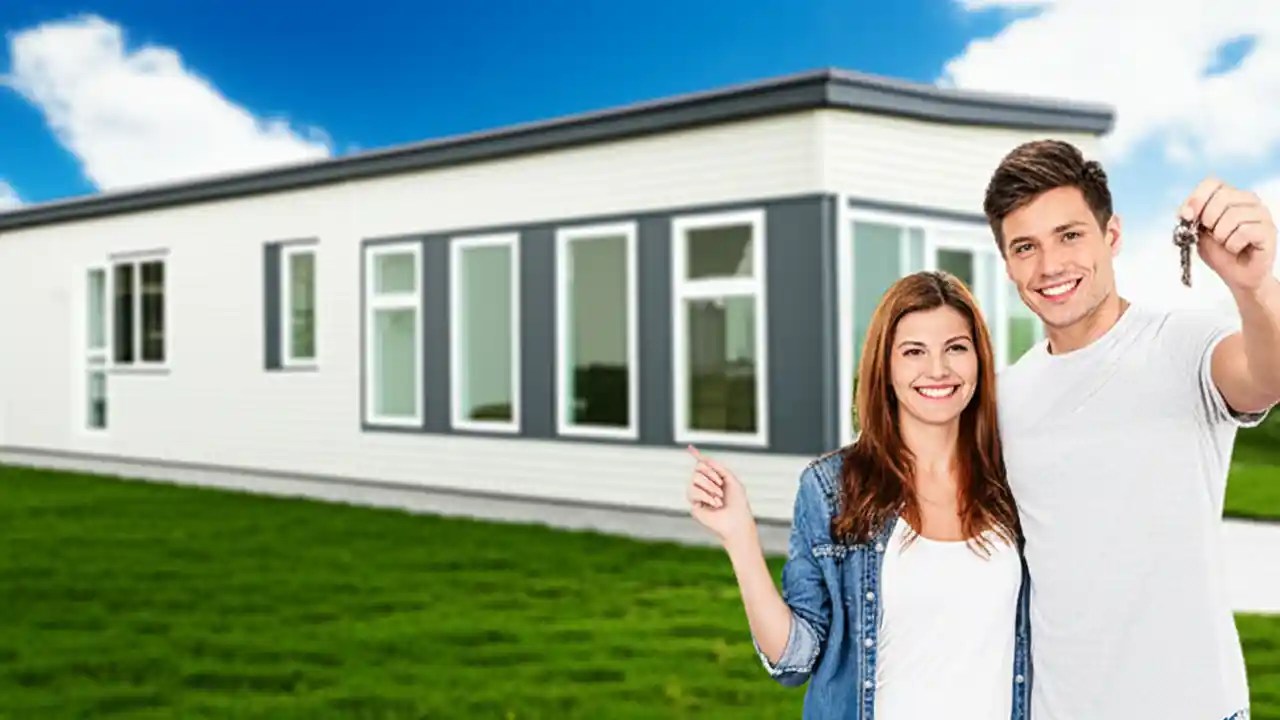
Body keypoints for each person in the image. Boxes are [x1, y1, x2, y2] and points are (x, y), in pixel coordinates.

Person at [986, 139, 1278, 720]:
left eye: (1070, 235)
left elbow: (1265, 378)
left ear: (1111, 236)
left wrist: (1255, 289)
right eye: (1026, 247)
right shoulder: (1006, 397)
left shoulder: (1184, 343)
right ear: (1008, 262)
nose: (1050, 267)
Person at [686, 271, 1031, 719]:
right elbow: (794, 660)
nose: (938, 370)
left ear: (980, 360)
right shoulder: (834, 489)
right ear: (884, 368)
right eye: (913, 352)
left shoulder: (1015, 481)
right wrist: (739, 537)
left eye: (956, 348)